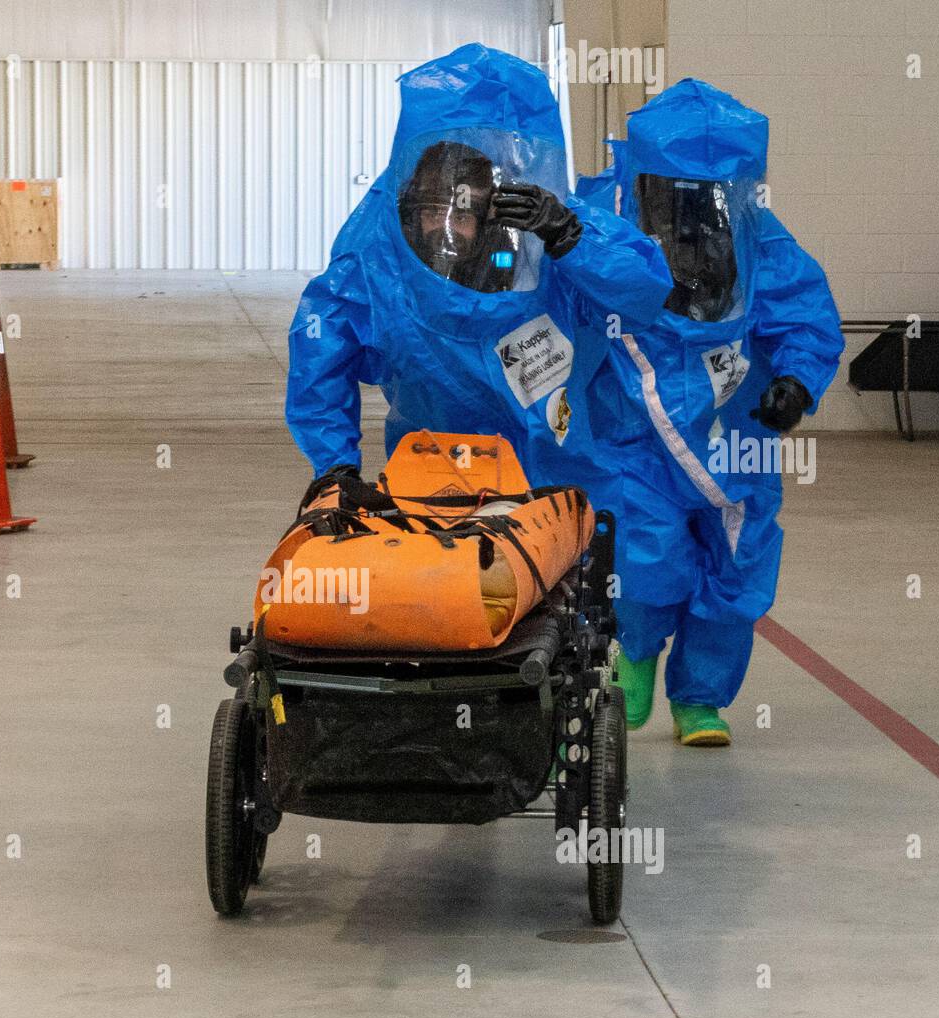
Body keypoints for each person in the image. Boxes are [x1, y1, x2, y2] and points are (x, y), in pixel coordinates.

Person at [284, 43, 673, 522]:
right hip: (427, 479)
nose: (440, 228)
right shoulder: (379, 253)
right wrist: (335, 465)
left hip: (556, 479)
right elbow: (320, 344)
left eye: (460, 212)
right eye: (430, 210)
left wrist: (571, 238)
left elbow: (645, 293)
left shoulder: (554, 233)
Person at [579, 79, 843, 746]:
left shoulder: (758, 241)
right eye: (677, 189)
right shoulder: (605, 222)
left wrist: (795, 384)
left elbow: (805, 319)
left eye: (714, 193)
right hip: (635, 435)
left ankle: (700, 697)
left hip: (734, 440)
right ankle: (633, 655)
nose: (693, 208)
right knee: (642, 553)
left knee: (737, 564)